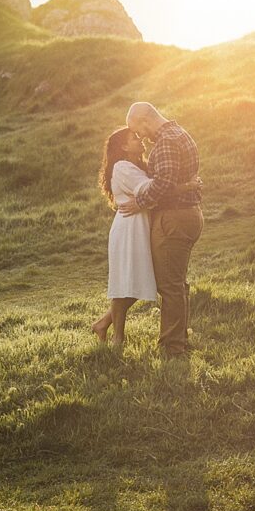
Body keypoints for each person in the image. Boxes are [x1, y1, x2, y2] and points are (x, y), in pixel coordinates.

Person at [117, 102, 204, 358]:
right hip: (189, 215)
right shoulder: (181, 133)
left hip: (173, 219)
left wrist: (139, 202)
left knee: (170, 286)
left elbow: (164, 183)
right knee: (176, 282)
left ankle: (172, 348)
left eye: (138, 130)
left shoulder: (165, 142)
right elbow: (176, 179)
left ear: (145, 120)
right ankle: (178, 340)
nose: (141, 136)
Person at [90, 127, 160, 347]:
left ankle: (103, 323)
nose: (140, 140)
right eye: (134, 138)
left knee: (141, 280)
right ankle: (118, 338)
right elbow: (149, 189)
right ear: (123, 146)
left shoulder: (138, 165)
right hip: (129, 228)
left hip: (138, 226)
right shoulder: (122, 167)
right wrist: (183, 185)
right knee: (127, 282)